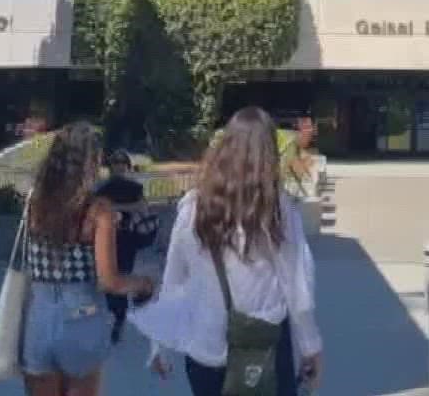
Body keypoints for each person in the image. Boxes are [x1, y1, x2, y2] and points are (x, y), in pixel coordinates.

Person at [135, 107, 322, 396]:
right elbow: (297, 285)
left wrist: (159, 346)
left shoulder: (193, 206)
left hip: (205, 348)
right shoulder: (276, 209)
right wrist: (310, 347)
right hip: (263, 347)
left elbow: (174, 279)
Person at [20, 122, 154, 396]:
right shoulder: (97, 211)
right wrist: (144, 284)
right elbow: (109, 281)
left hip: (39, 317)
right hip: (81, 317)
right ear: (91, 162)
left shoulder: (35, 202)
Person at [93, 149, 161, 345]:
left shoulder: (133, 187)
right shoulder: (102, 188)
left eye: (122, 163)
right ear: (110, 166)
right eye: (116, 163)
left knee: (120, 274)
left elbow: (142, 208)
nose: (119, 167)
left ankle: (119, 315)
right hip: (106, 237)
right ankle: (117, 313)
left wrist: (115, 209)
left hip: (126, 238)